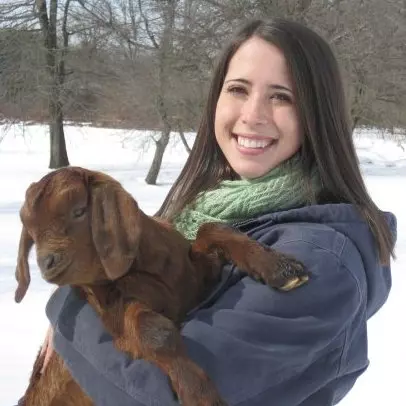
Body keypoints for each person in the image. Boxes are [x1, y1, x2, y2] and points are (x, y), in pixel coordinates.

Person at [35, 18, 397, 406]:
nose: (252, 114)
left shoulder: (321, 259)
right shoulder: (197, 217)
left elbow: (159, 396)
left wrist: (70, 312)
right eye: (238, 89)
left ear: (317, 115)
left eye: (282, 97)